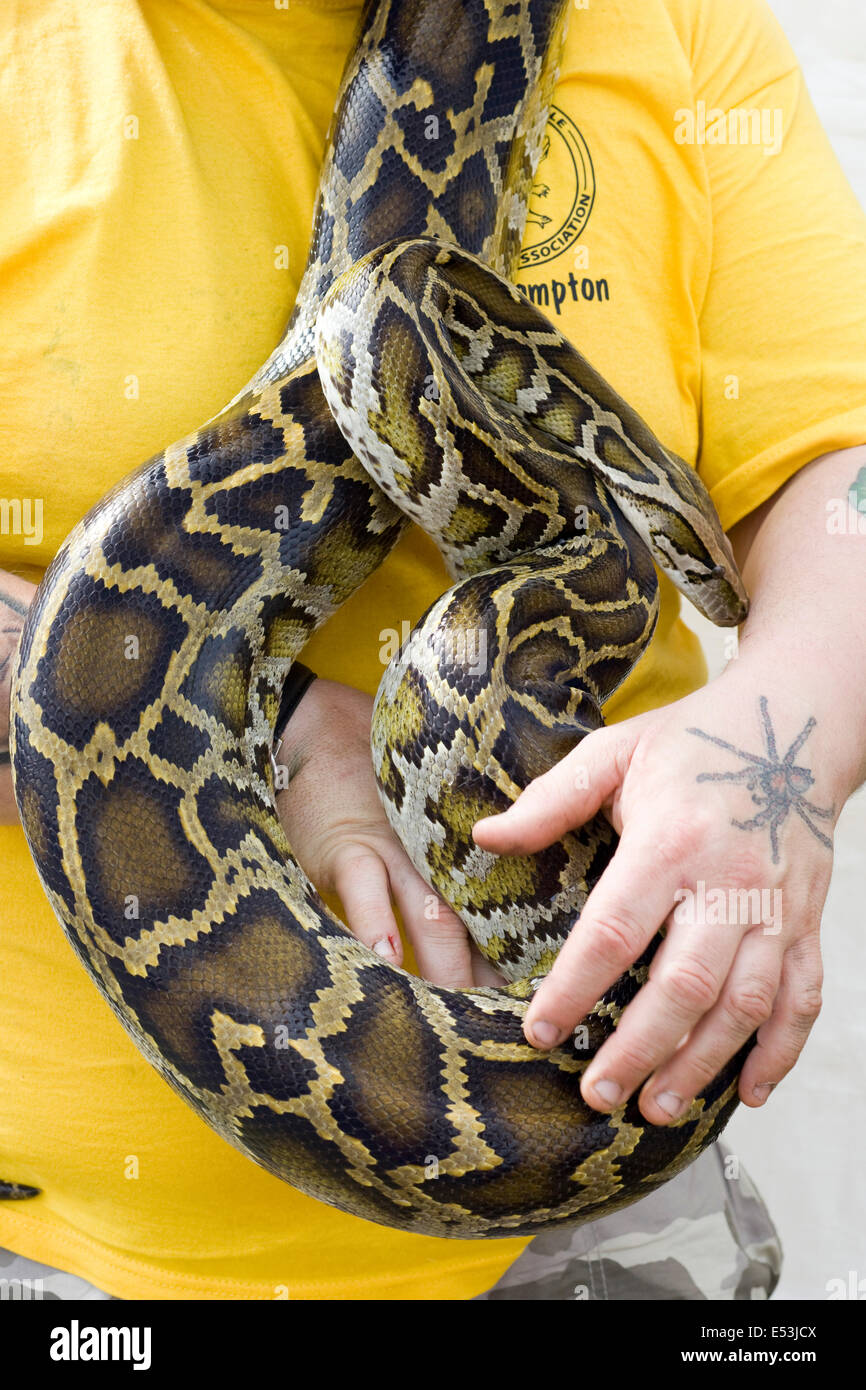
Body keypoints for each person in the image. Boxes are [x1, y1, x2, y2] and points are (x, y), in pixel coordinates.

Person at [1, 0, 864, 1301]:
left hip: (602, 1234)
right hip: (82, 1261)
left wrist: (781, 734)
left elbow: (836, 463)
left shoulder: (678, 27)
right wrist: (282, 727)